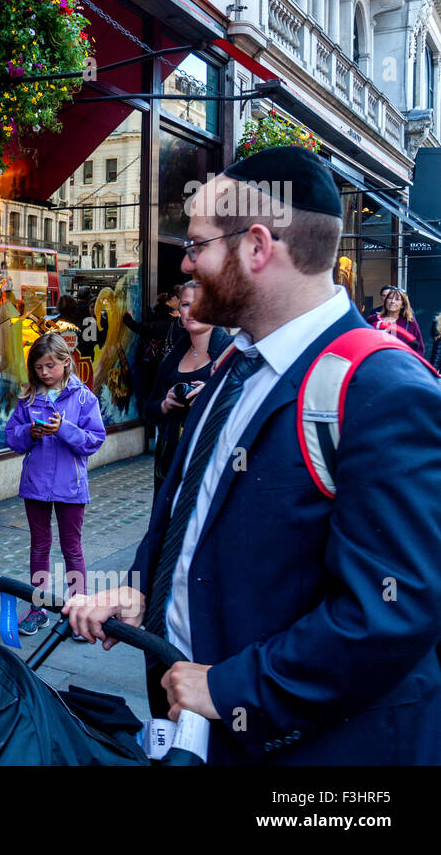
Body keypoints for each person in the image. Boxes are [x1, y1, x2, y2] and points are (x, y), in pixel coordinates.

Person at [65, 146, 441, 764]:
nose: (186, 267)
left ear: (257, 246)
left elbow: (391, 612)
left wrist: (232, 687)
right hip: (202, 734)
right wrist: (138, 594)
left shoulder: (383, 388)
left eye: (197, 246)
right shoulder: (234, 365)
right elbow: (192, 518)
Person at [4, 332, 107, 636]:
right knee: (39, 545)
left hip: (70, 486)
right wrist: (29, 434)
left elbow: (94, 440)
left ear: (66, 362)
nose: (44, 373)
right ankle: (38, 608)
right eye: (38, 368)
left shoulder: (84, 397)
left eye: (50, 366)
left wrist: (64, 429)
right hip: (36, 483)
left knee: (71, 548)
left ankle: (78, 611)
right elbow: (12, 437)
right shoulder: (28, 398)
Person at [142, 281, 231, 498]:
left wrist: (211, 393)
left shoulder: (231, 352)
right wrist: (165, 404)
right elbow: (149, 409)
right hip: (170, 458)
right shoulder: (172, 358)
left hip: (209, 457)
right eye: (185, 305)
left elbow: (246, 406)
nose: (192, 312)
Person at [365, 285, 425, 354]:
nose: (392, 301)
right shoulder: (373, 319)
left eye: (397, 299)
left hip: (400, 362)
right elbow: (365, 341)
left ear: (402, 304)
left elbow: (419, 348)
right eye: (390, 298)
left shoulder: (410, 322)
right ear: (385, 301)